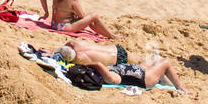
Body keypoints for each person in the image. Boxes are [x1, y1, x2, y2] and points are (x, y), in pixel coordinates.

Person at [55, 43, 188, 94]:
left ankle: (166, 81)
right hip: (144, 78)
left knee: (155, 59)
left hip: (138, 70)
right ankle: (179, 87)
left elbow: (99, 66)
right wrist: (87, 66)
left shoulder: (106, 71)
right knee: (165, 63)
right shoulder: (113, 79)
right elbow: (99, 65)